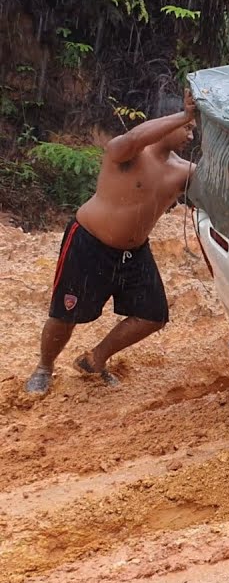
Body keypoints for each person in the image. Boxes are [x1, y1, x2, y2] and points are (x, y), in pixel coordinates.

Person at [24, 89, 198, 395]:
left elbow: (223, 183)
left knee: (153, 315)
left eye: (193, 128)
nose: (191, 135)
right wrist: (184, 115)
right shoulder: (128, 154)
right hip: (88, 243)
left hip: (134, 253)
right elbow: (128, 141)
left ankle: (96, 359)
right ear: (166, 122)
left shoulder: (183, 172)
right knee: (65, 314)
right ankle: (44, 367)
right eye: (187, 128)